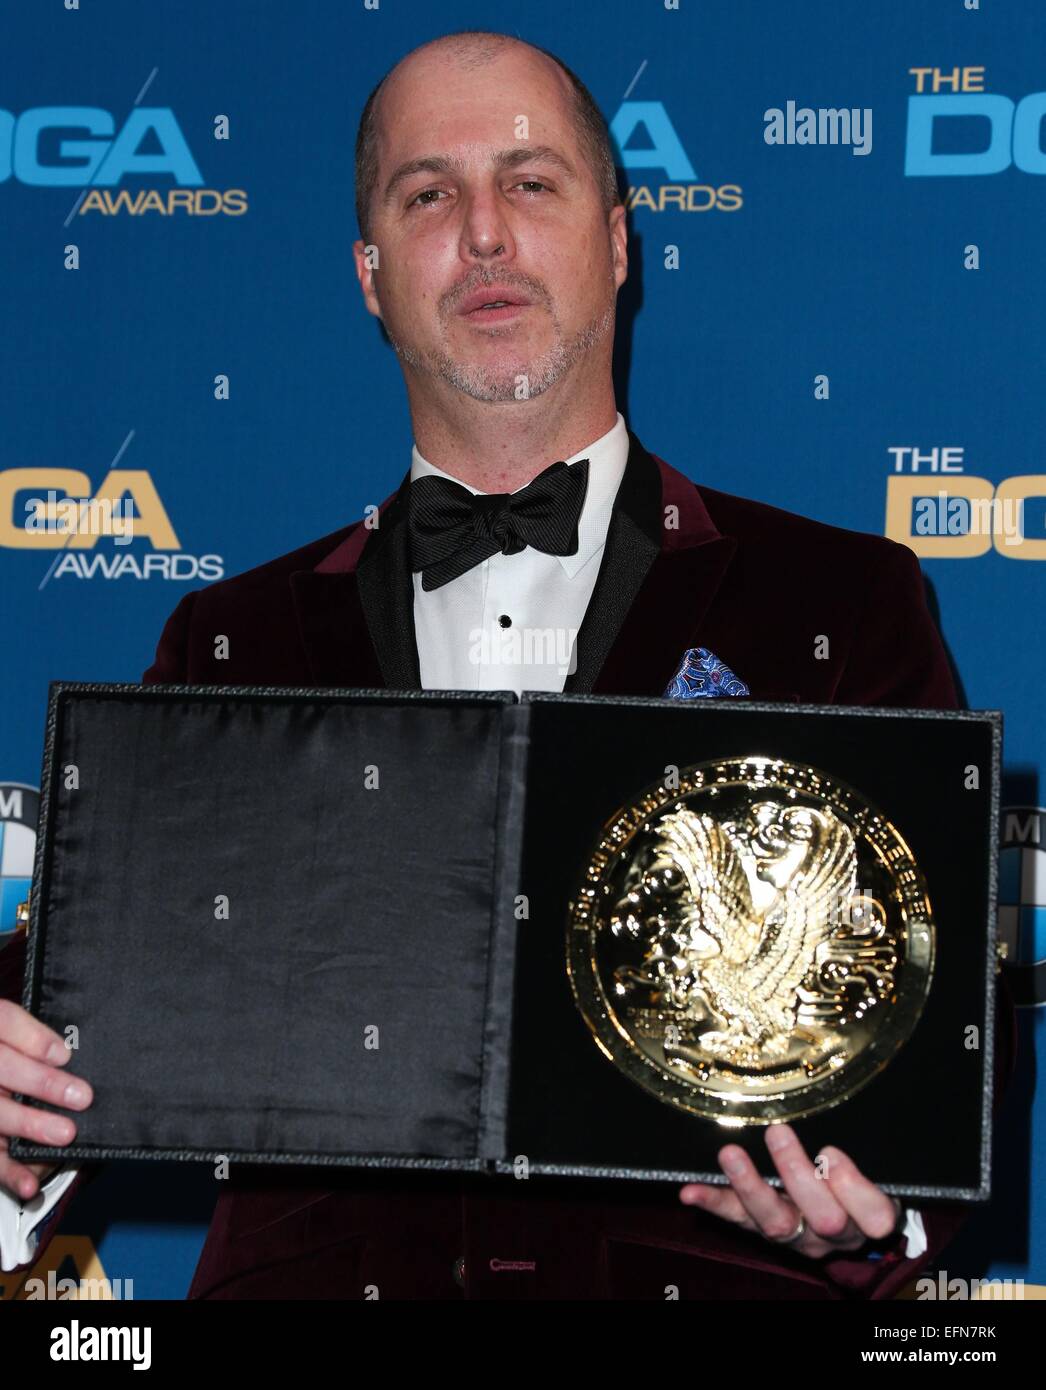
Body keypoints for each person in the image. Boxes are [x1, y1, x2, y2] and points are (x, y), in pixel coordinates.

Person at [0, 29, 1017, 1298]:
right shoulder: (229, 638)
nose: (483, 234)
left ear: (617, 240)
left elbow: (933, 1048)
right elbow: (83, 1025)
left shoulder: (841, 599)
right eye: (428, 194)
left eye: (529, 183)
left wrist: (876, 1220)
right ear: (370, 274)